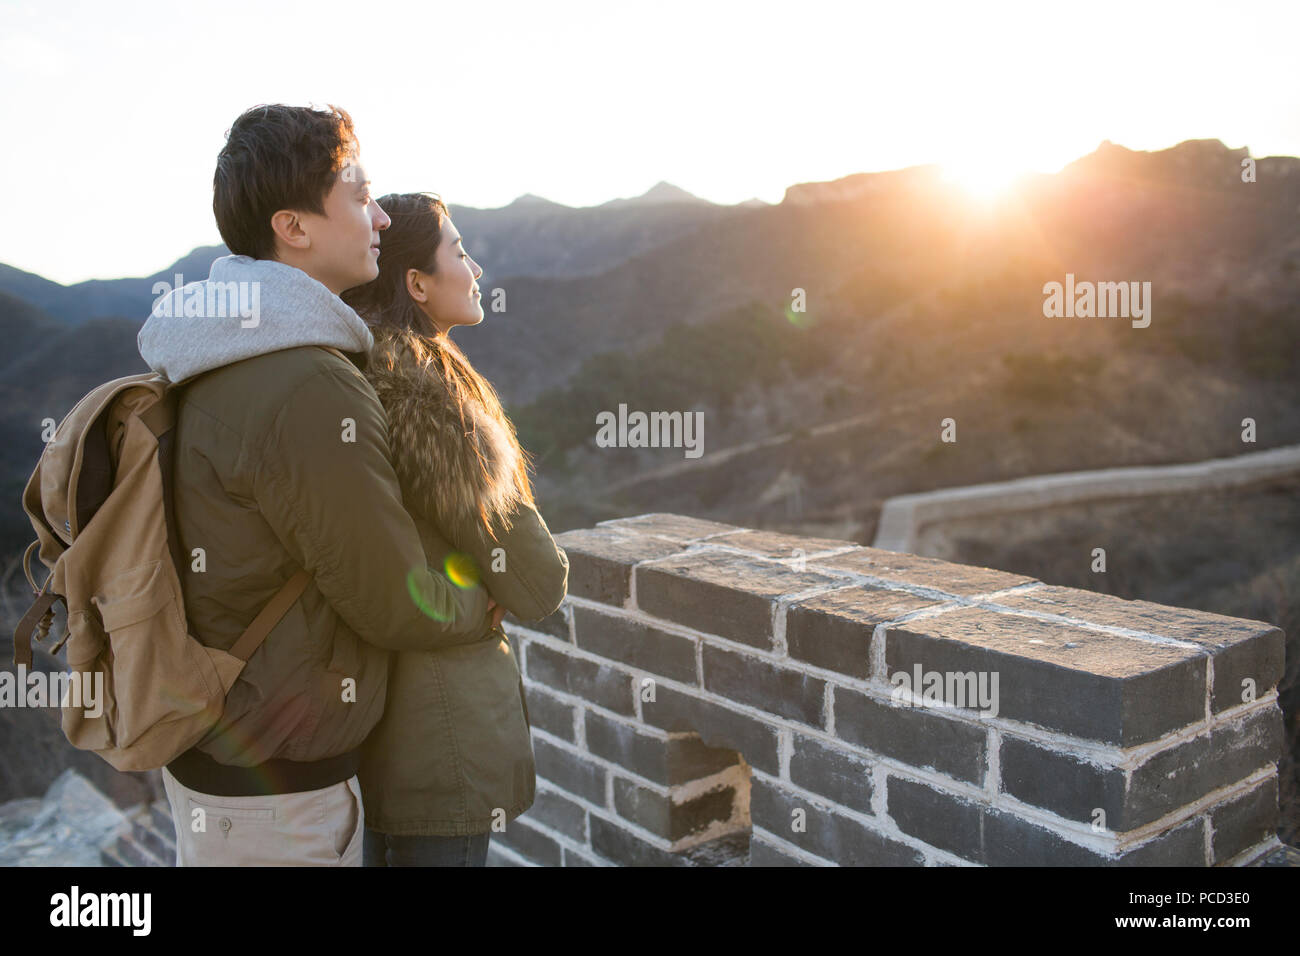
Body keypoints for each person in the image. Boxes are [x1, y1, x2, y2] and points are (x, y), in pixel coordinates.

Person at [136, 106, 497, 866]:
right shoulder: (306, 380)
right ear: (293, 228)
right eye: (360, 193)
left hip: (224, 753)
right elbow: (394, 598)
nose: (383, 212)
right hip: (280, 786)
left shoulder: (218, 350)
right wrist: (481, 601)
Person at [341, 192, 569, 867]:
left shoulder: (348, 375)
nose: (476, 269)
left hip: (369, 736)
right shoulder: (434, 403)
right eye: (460, 252)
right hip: (441, 743)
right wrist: (483, 599)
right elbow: (538, 582)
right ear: (416, 283)